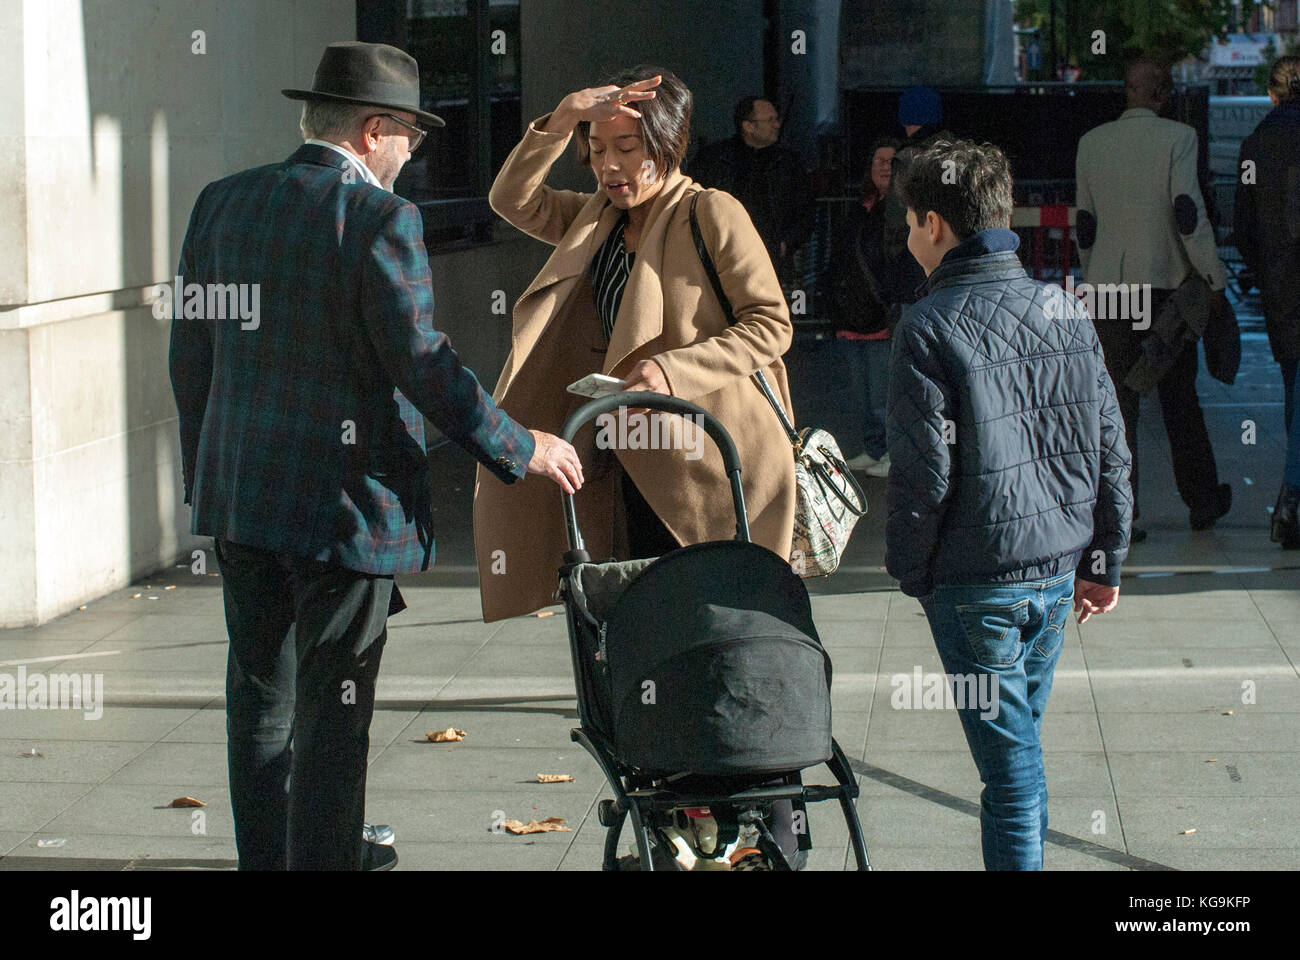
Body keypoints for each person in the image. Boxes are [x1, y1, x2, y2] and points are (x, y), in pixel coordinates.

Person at [168, 41, 583, 871]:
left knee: (258, 703)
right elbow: (422, 362)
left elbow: (190, 354)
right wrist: (519, 445)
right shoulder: (377, 219)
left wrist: (208, 476)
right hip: (342, 510)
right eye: (410, 138)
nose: (412, 157)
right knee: (334, 713)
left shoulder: (222, 202)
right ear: (373, 131)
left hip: (243, 502)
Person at [885, 138, 1132, 870]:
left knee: (1011, 776)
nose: (907, 236)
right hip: (1056, 574)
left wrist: (912, 572)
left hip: (975, 582)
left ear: (934, 225)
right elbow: (1110, 445)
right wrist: (1104, 560)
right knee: (1017, 755)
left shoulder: (927, 325)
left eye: (908, 221)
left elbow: (923, 475)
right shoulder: (1061, 307)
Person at [473, 66, 796, 624]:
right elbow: (511, 199)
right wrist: (563, 116)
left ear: (667, 144)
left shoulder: (710, 211)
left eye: (626, 147)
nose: (609, 166)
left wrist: (675, 371)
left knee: (702, 612)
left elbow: (771, 324)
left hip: (698, 458)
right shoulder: (593, 218)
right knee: (627, 608)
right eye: (596, 149)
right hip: (615, 448)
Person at [1075, 57, 1233, 541]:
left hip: (1108, 290)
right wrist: (1213, 275)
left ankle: (1122, 514)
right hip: (1163, 287)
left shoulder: (1091, 143)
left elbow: (1085, 224)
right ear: (1163, 94)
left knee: (1118, 405)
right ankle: (1203, 500)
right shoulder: (1178, 139)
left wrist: (1094, 272)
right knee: (1179, 399)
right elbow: (1187, 212)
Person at [1234, 55, 1300, 550]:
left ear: (1272, 94)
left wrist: (1263, 269)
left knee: (1293, 385)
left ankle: (1293, 499)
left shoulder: (1256, 145)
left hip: (1283, 287)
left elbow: (1244, 226)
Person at [833, 137, 903, 477]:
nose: (884, 166)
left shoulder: (902, 210)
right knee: (863, 396)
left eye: (891, 160)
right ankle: (874, 449)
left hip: (882, 316)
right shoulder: (859, 208)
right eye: (878, 160)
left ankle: (892, 452)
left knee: (883, 395)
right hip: (853, 315)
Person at [688, 96, 814, 283]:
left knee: (788, 307)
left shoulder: (789, 164)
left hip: (773, 262)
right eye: (770, 120)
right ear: (748, 126)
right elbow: (691, 204)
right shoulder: (713, 160)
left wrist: (786, 243)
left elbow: (806, 212)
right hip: (722, 261)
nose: (777, 125)